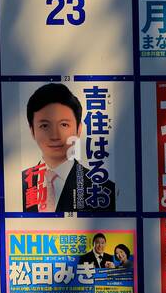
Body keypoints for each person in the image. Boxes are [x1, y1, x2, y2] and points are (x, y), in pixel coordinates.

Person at [21, 82, 117, 212]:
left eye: (64, 125)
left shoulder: (104, 190)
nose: (55, 136)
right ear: (32, 131)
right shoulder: (17, 184)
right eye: (44, 126)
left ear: (78, 129)